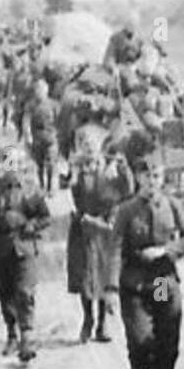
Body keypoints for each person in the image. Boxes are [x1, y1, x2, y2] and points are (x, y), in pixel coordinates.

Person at [109, 153, 184, 369]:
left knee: (166, 342)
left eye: (156, 176)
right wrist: (110, 288)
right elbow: (114, 248)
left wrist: (168, 250)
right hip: (136, 282)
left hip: (160, 280)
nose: (152, 181)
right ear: (137, 178)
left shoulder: (171, 205)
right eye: (146, 176)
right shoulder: (126, 211)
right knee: (140, 341)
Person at [0, 150, 51, 362]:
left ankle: (27, 337)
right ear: (4, 166)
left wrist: (32, 224)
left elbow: (45, 217)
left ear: (23, 166)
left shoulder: (31, 190)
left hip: (25, 246)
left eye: (17, 164)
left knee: (25, 291)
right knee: (5, 291)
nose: (13, 169)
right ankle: (12, 333)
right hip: (0, 247)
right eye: (9, 164)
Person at [67, 129, 135, 344]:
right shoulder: (78, 170)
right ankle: (88, 319)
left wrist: (123, 169)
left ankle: (103, 323)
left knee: (105, 275)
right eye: (85, 145)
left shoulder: (110, 170)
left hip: (105, 229)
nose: (89, 149)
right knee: (85, 277)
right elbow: (75, 195)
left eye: (92, 145)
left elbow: (127, 190)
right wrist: (75, 174)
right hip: (84, 228)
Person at [29, 77, 59, 194]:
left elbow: (60, 120)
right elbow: (26, 120)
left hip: (51, 137)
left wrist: (58, 134)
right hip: (37, 138)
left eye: (41, 90)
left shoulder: (54, 105)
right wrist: (27, 135)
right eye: (37, 90)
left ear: (46, 91)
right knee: (39, 164)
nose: (39, 92)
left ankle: (51, 187)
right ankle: (42, 186)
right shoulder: (31, 105)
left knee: (51, 164)